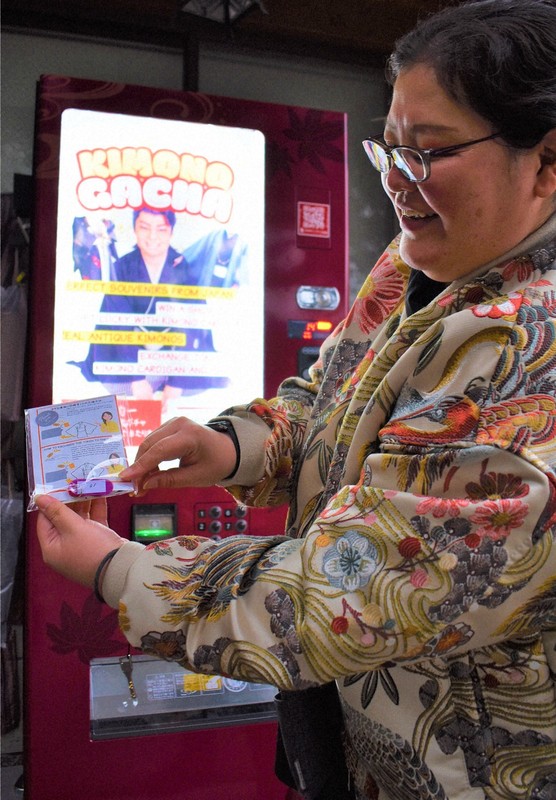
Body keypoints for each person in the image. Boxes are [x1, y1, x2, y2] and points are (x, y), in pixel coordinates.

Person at [35, 1, 556, 798]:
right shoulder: (420, 259)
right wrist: (234, 445)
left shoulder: (534, 355)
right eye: (391, 147)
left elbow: (354, 590)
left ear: (547, 161)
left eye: (432, 153)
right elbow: (335, 391)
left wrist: (123, 571)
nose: (397, 181)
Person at [70, 207, 236, 404]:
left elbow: (194, 326)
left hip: (174, 359)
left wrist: (177, 383)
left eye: (161, 229)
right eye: (145, 228)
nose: (152, 237)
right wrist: (136, 379)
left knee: (206, 387)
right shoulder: (121, 267)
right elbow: (117, 324)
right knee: (118, 389)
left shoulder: (185, 268)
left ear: (171, 233)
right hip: (126, 358)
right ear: (134, 230)